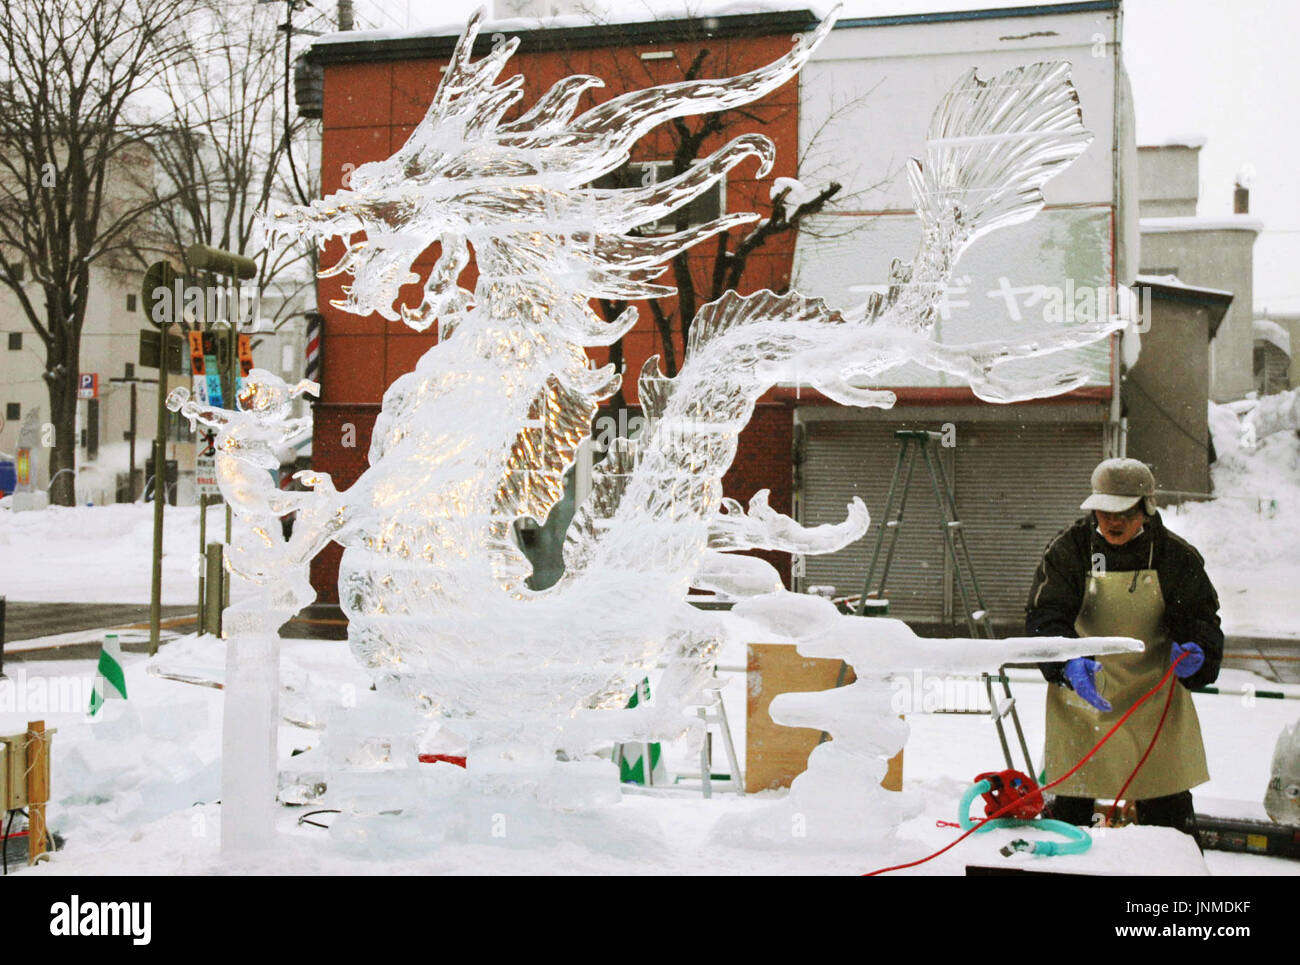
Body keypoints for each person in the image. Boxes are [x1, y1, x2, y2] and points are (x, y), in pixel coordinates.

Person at [1025, 457, 1223, 845]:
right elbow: (1044, 615)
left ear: (1146, 508)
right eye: (1104, 511)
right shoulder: (1070, 550)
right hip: (1083, 697)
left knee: (1169, 824)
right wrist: (1067, 662)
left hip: (1154, 698)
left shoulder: (1174, 556)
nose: (1112, 522)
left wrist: (1198, 650)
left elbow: (1201, 618)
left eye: (1124, 512)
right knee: (1068, 822)